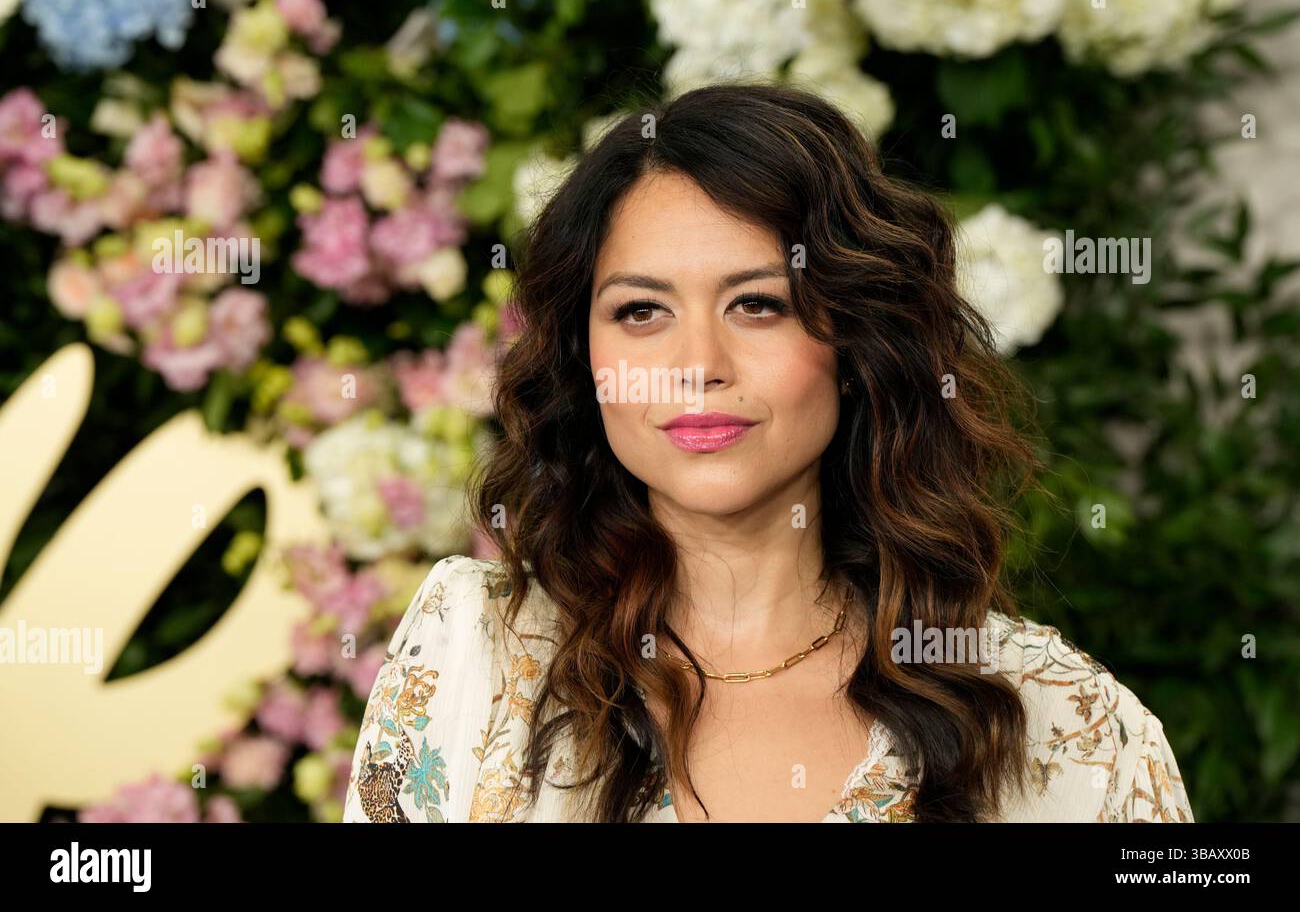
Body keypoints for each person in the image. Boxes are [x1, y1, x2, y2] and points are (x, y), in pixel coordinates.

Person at [342, 81, 1193, 823]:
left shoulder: (1064, 721)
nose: (698, 369)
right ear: (583, 358)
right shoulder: (476, 653)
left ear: (857, 344)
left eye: (757, 305)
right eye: (641, 312)